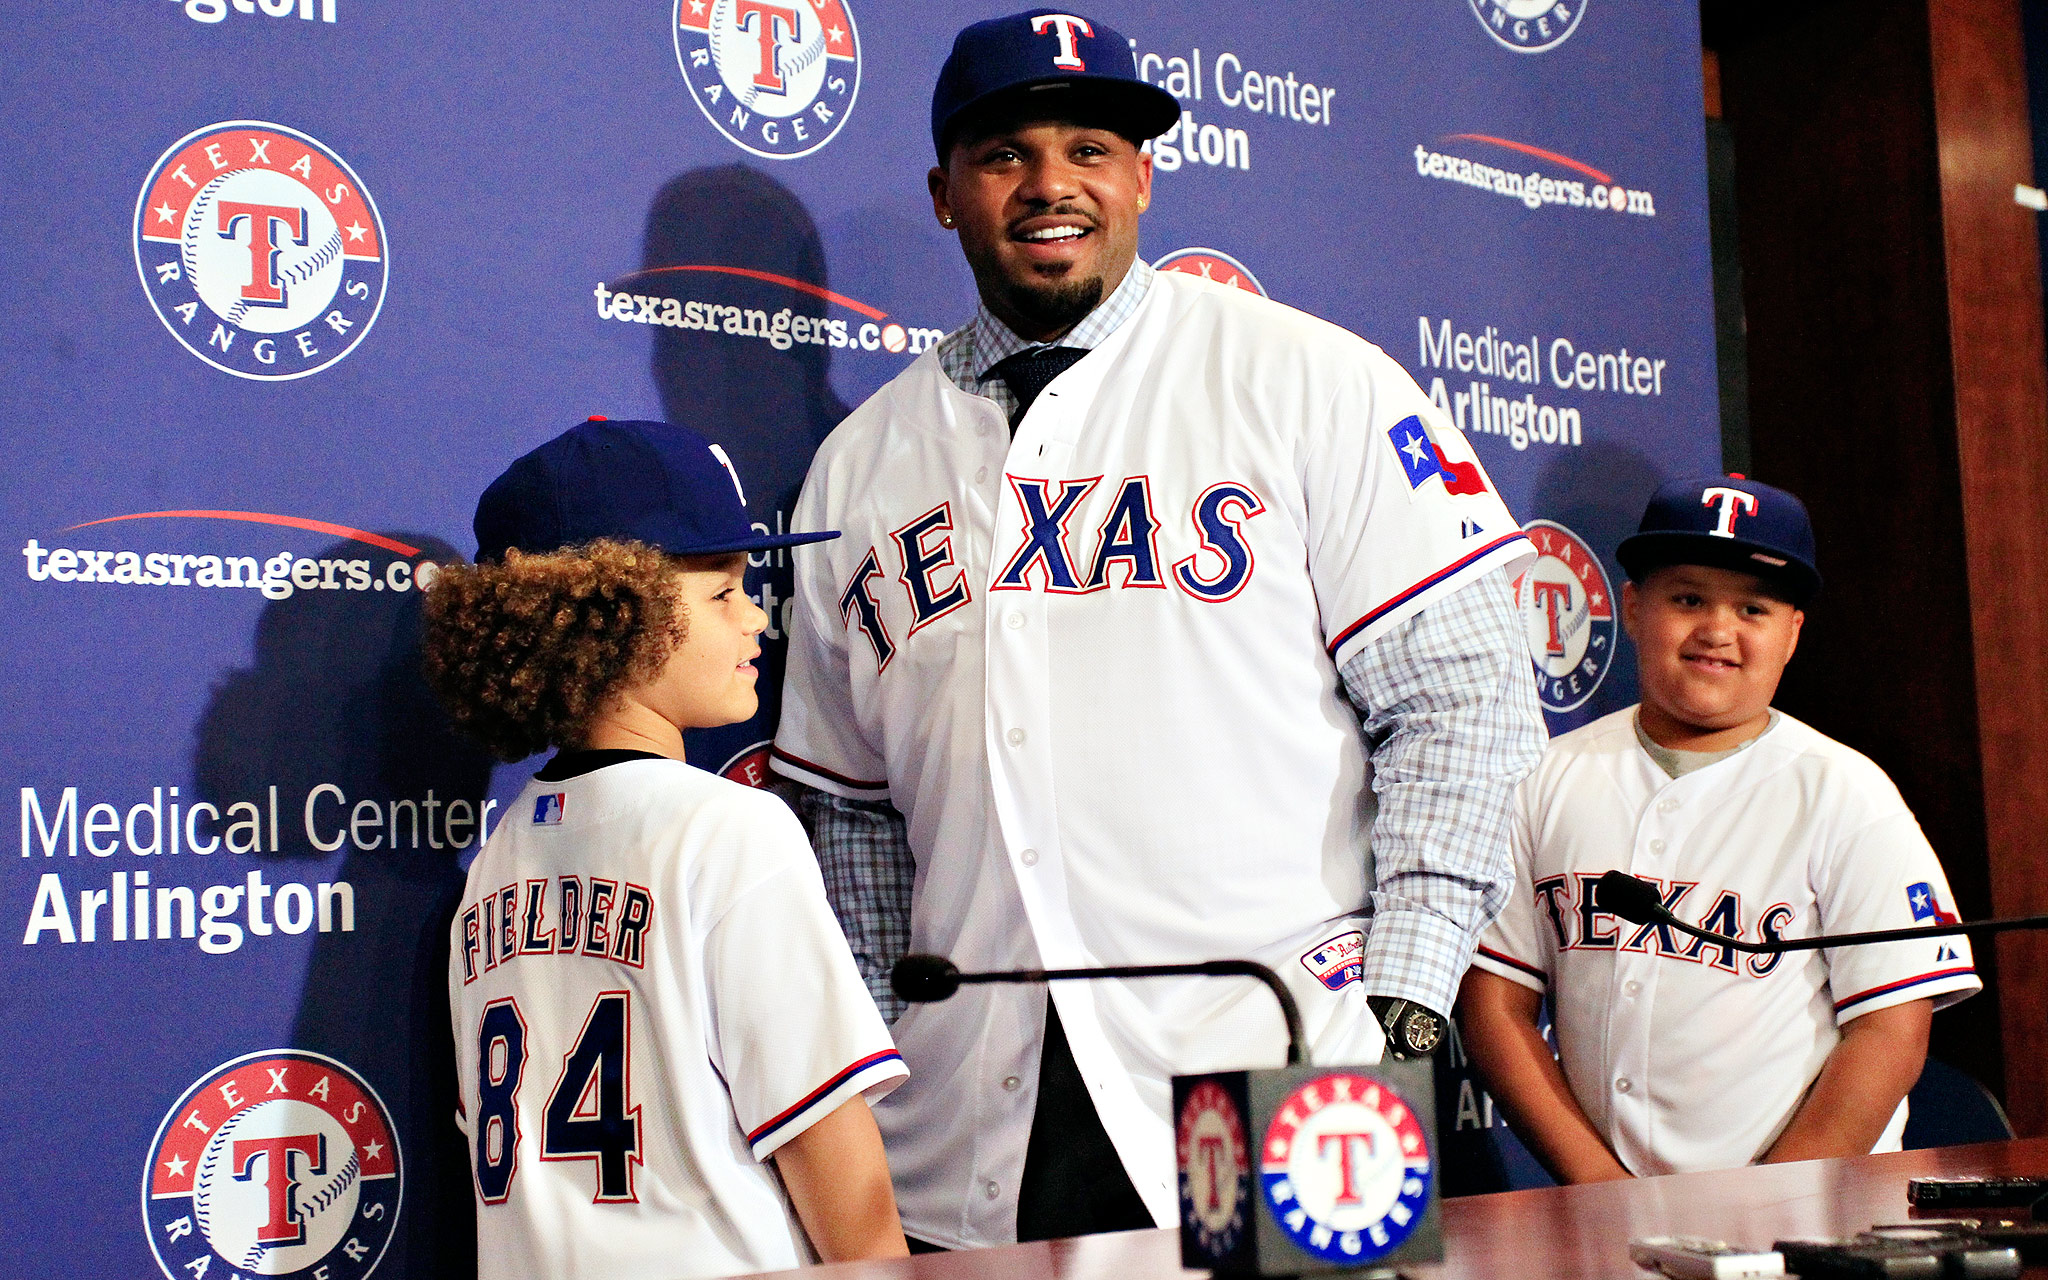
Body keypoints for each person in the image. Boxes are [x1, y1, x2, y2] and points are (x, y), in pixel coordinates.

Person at [769, 8, 1546, 1249]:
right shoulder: (858, 465)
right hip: (971, 1099)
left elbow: (1463, 701)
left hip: (1290, 1063)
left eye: (1089, 148)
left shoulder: (1304, 377)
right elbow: (849, 816)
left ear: (1141, 175)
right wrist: (874, 1047)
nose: (1049, 185)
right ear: (943, 195)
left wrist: (1400, 999)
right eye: (1004, 154)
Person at [423, 417, 910, 1279]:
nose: (756, 618)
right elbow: (847, 1191)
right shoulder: (732, 831)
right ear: (609, 621)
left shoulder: (492, 869)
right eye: (722, 593)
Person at [1457, 474, 1981, 1182]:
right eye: (1688, 599)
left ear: (1792, 634)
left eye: (1753, 608)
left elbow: (1890, 1030)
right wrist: (1603, 1193)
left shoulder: (1846, 794)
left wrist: (1768, 1205)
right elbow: (1496, 1007)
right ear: (1633, 607)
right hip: (1607, 1212)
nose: (1717, 630)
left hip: (1817, 1209)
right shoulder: (1544, 779)